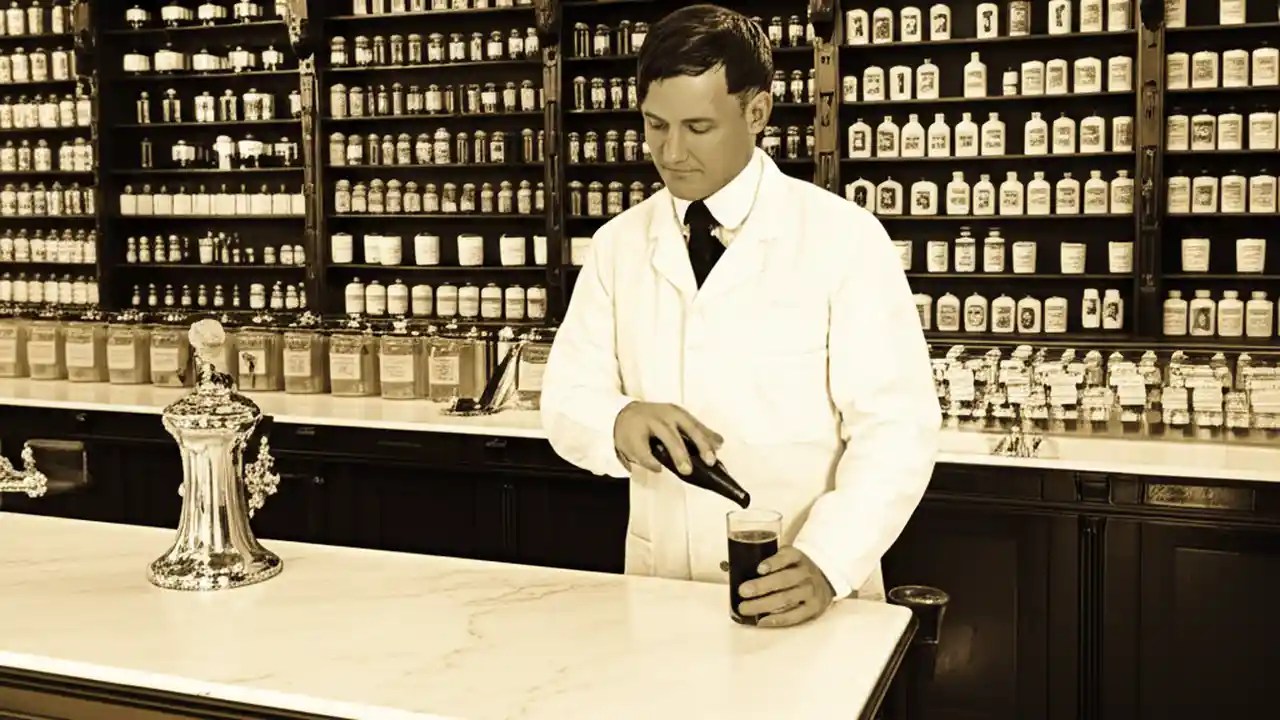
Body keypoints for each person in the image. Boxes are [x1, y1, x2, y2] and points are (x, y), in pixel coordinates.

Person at [539, 3, 941, 628]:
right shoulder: (619, 244)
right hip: (663, 591)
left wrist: (829, 559)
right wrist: (619, 418)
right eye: (655, 126)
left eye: (698, 127)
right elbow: (566, 395)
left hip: (803, 589)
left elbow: (898, 427)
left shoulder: (844, 238)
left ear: (756, 111)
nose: (670, 153)